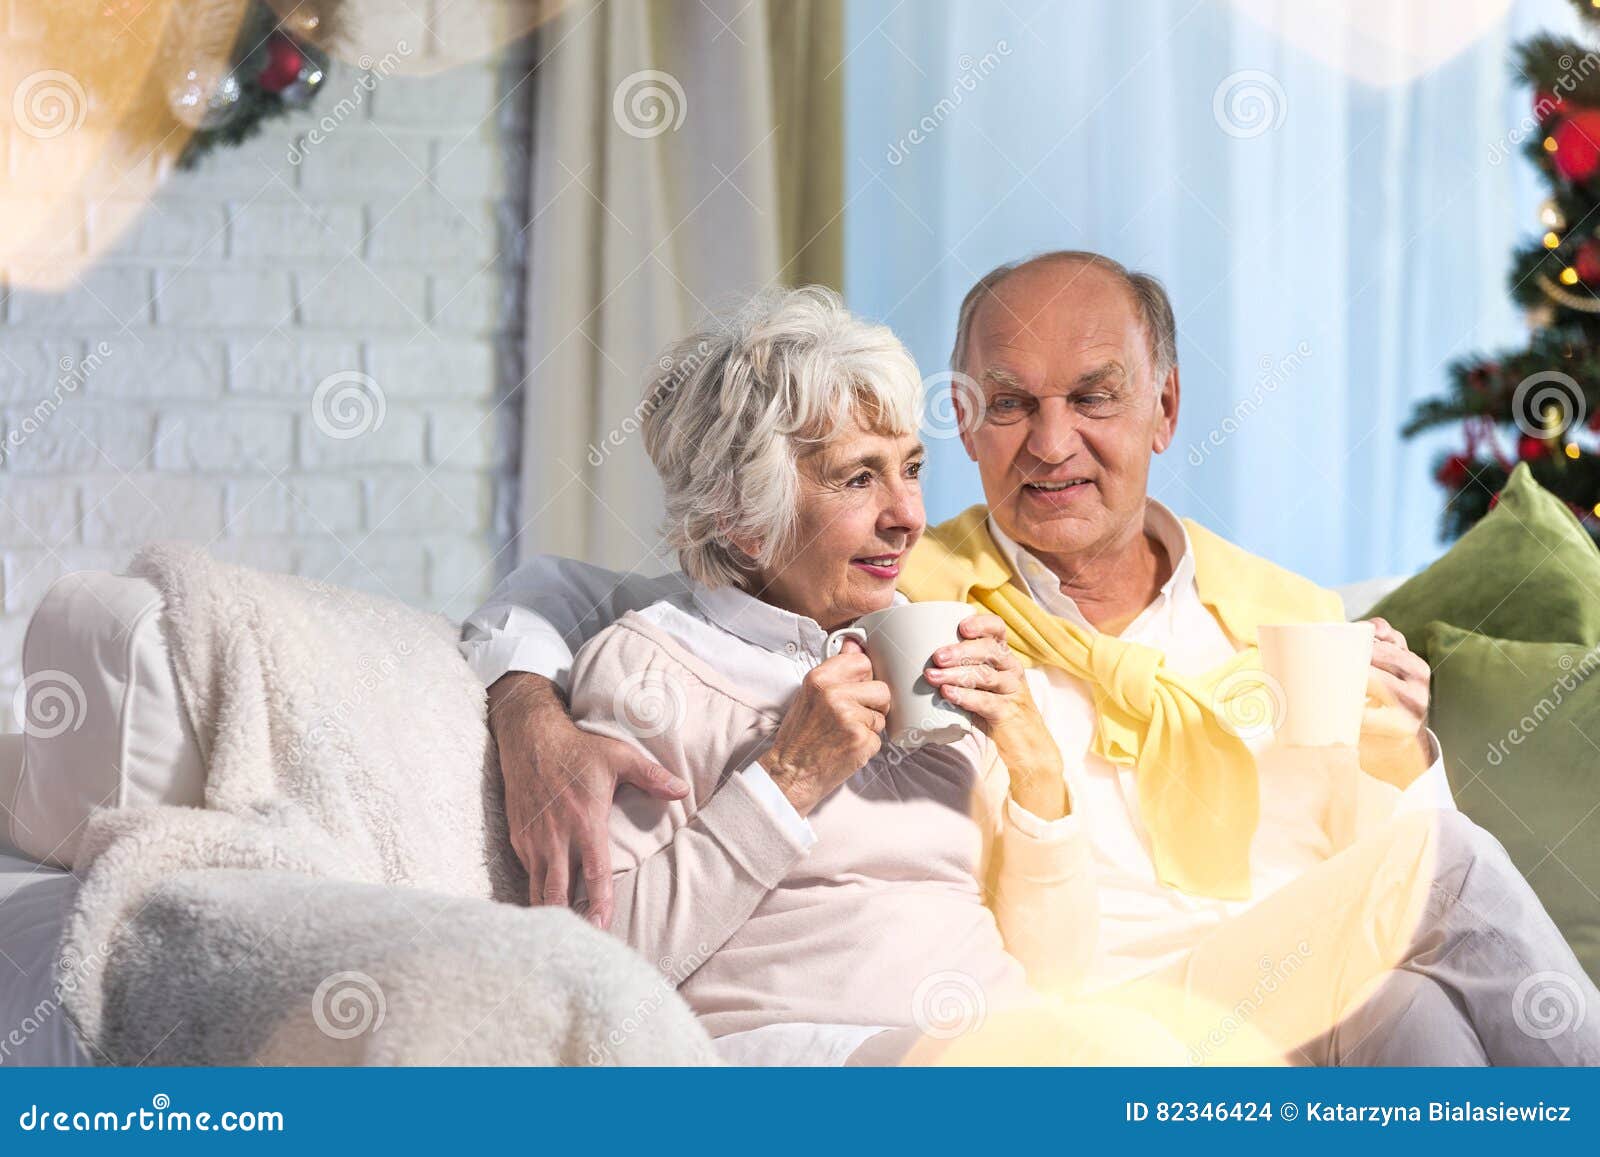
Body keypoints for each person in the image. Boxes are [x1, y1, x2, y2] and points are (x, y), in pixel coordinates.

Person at [465, 252, 1600, 1065]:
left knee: (1409, 988)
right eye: (1008, 405)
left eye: (1092, 398)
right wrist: (525, 697)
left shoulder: (1283, 617)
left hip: (1230, 998)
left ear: (1164, 409)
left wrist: (1400, 755)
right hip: (1075, 1024)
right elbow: (631, 601)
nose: (1050, 445)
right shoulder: (914, 612)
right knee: (1430, 874)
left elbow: (1365, 855)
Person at [512, 286, 1152, 1065]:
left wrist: (1035, 766)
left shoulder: (926, 645)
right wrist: (785, 779)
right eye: (857, 479)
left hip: (996, 1048)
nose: (908, 515)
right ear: (740, 518)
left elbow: (1059, 971)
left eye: (910, 469)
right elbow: (596, 966)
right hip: (795, 1056)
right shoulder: (652, 665)